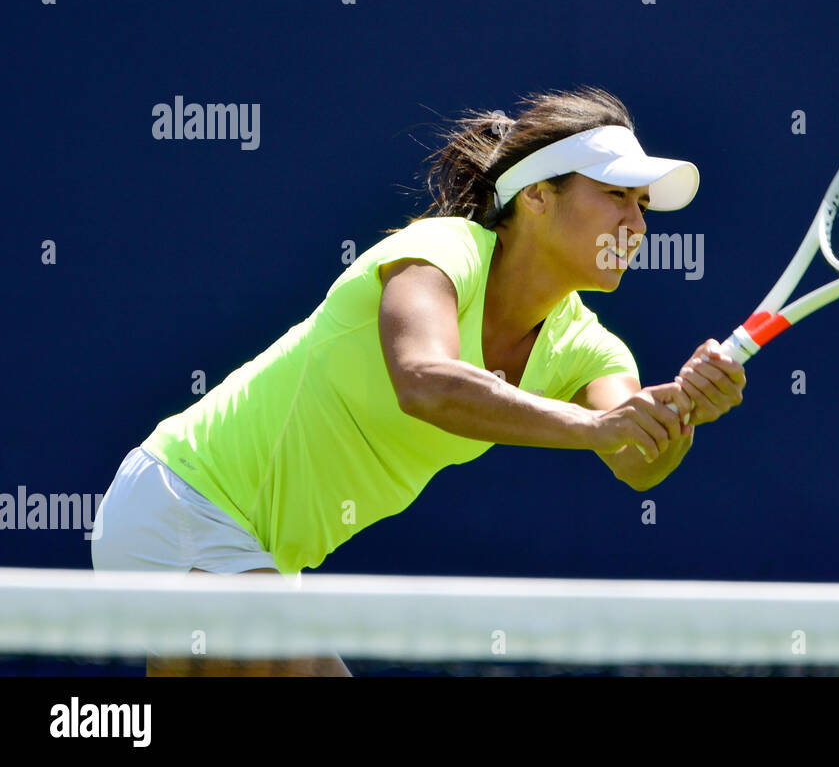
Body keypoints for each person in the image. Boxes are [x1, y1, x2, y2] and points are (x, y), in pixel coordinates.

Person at [91, 86, 746, 675]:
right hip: (180, 503)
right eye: (614, 195)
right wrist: (594, 425)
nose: (636, 224)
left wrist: (680, 415)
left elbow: (634, 458)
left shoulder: (590, 348)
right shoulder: (439, 251)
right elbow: (426, 381)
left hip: (257, 559)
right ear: (538, 197)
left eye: (642, 204)